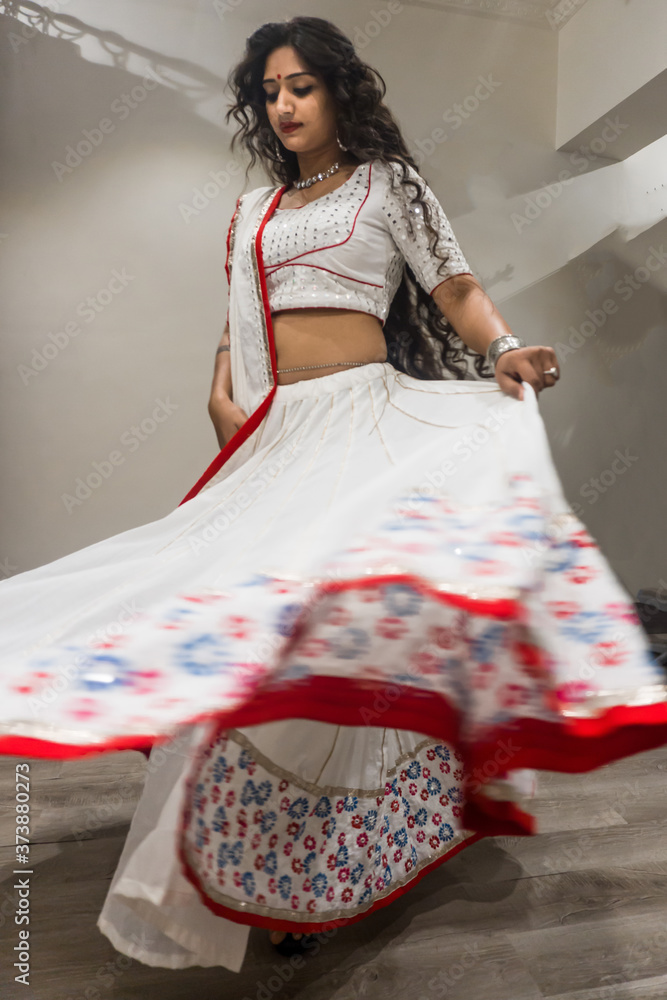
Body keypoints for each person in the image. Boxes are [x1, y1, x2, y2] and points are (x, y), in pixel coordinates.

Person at [1, 14, 666, 977]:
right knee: (247, 629)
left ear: (338, 91)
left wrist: (503, 348)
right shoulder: (254, 213)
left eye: (301, 87)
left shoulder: (388, 185)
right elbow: (239, 321)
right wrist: (223, 388)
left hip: (368, 426)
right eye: (270, 92)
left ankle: (325, 868)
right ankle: (258, 864)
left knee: (337, 633)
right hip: (286, 434)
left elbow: (453, 285)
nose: (284, 106)